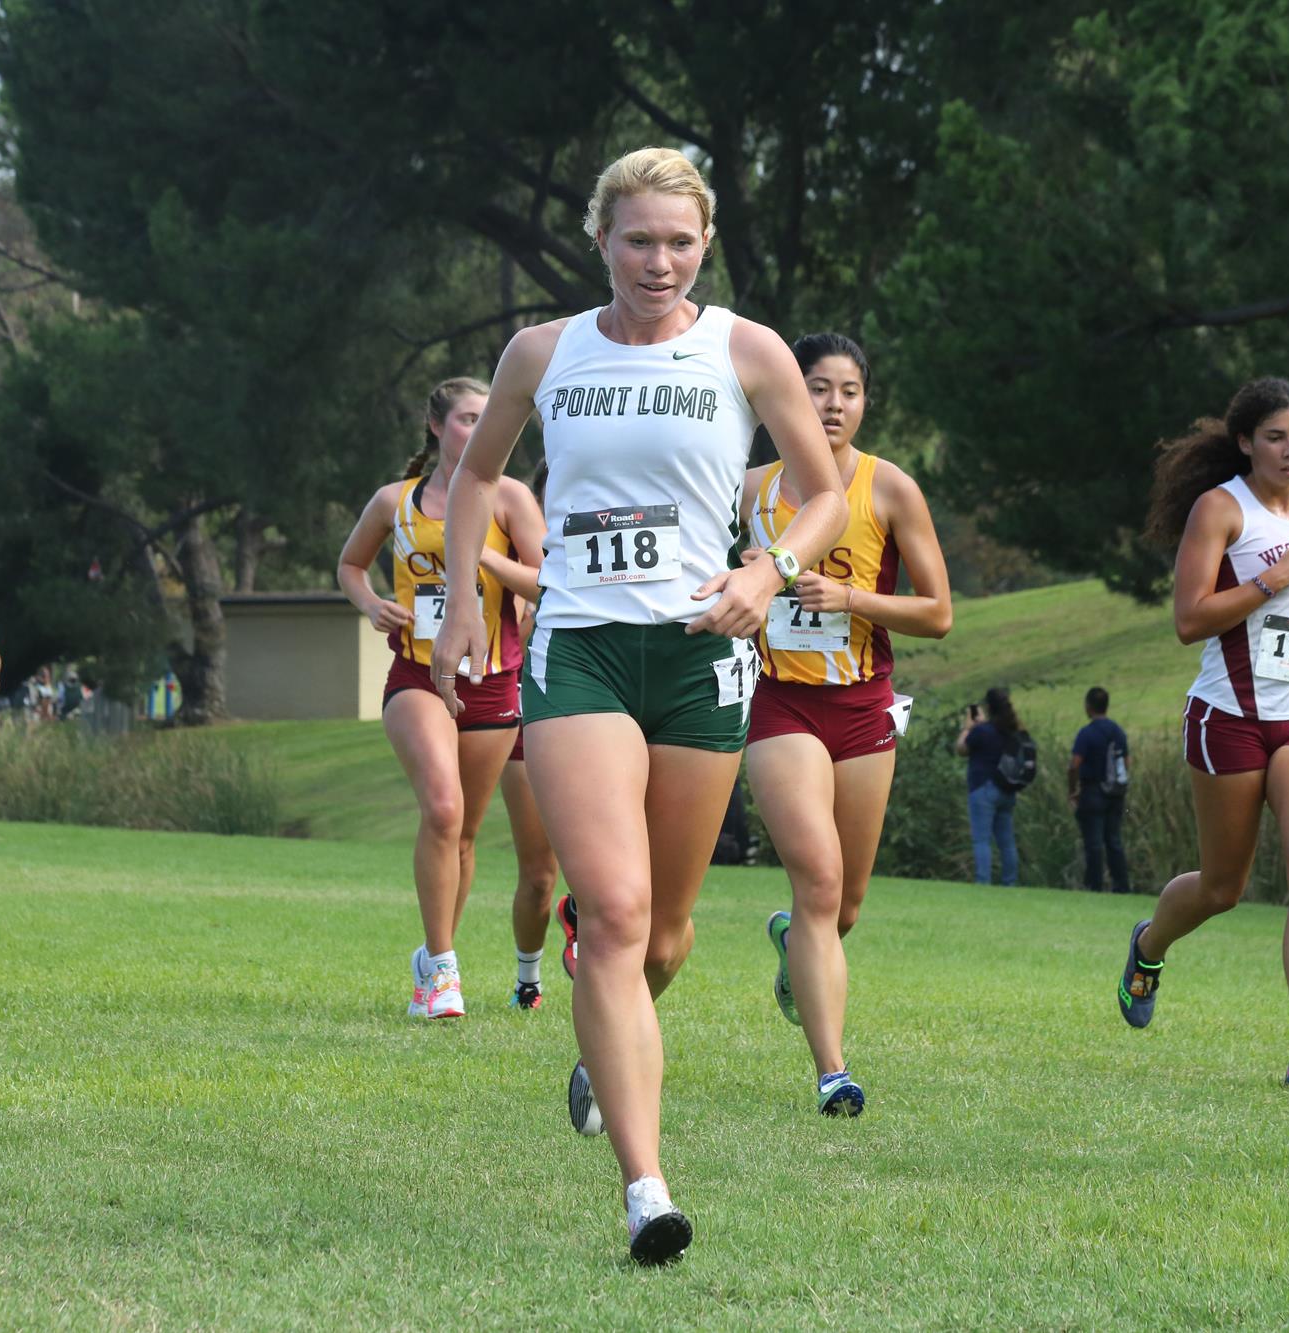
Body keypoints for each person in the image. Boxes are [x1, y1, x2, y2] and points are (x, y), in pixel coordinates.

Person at [432, 146, 847, 1265]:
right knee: (610, 914)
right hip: (581, 654)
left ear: (703, 243)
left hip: (701, 658)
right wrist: (461, 605)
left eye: (677, 241)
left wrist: (763, 574)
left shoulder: (745, 349)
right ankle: (646, 1189)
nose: (656, 261)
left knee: (662, 935)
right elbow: (477, 475)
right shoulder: (543, 350)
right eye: (635, 240)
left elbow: (824, 495)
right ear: (599, 240)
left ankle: (603, 1041)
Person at [1118, 378, 1289, 1087]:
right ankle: (1149, 945)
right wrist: (1272, 578)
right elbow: (1189, 620)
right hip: (1229, 718)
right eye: (1274, 437)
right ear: (1245, 442)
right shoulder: (1220, 510)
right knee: (1223, 886)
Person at [745, 330, 953, 1117]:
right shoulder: (752, 490)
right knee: (819, 880)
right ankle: (833, 1071)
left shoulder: (890, 488)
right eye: (818, 387)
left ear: (866, 402)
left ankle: (795, 948)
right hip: (781, 704)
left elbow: (938, 612)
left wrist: (852, 599)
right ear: (789, 393)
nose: (833, 404)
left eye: (849, 391)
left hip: (864, 709)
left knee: (845, 906)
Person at [335, 376, 545, 1019]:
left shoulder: (509, 498)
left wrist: (480, 558)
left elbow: (545, 582)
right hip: (419, 676)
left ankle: (432, 960)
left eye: (488, 418)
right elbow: (349, 565)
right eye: (465, 418)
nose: (477, 429)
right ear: (436, 426)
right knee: (444, 809)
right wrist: (372, 603)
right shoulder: (394, 502)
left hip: (493, 678)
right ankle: (445, 972)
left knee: (464, 833)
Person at [502, 462, 563, 1010]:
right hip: (531, 713)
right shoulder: (522, 557)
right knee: (540, 874)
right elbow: (543, 586)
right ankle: (528, 975)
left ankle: (587, 922)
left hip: (615, 712)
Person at [955, 687, 1027, 886]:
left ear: (988, 707)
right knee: (1006, 841)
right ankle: (1009, 882)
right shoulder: (1011, 730)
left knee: (982, 839)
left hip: (983, 789)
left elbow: (961, 749)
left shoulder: (982, 731)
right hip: (1006, 789)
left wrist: (968, 727)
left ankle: (983, 880)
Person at [1069, 685, 1132, 893]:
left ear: (1088, 706)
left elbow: (1075, 764)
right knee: (1114, 840)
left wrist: (1073, 789)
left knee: (1094, 842)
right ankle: (1121, 885)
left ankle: (1095, 885)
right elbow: (1127, 762)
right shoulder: (1117, 731)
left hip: (1093, 791)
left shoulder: (1086, 733)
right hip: (1115, 793)